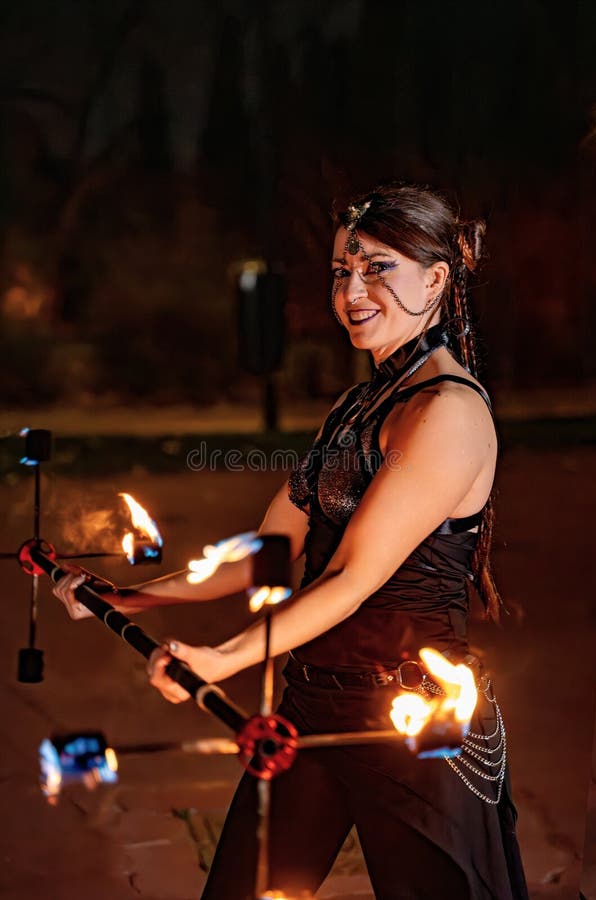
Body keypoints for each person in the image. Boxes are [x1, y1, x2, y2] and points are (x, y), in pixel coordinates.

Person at [54, 182, 528, 899]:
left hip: (410, 725)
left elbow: (349, 579)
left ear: (436, 279)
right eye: (343, 270)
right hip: (312, 708)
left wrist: (224, 657)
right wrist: (129, 597)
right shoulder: (358, 403)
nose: (353, 289)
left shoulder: (447, 413)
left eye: (378, 268)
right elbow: (270, 547)